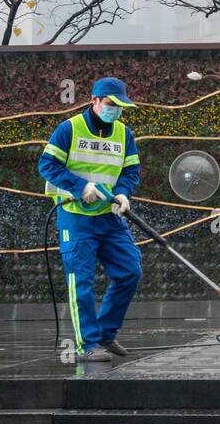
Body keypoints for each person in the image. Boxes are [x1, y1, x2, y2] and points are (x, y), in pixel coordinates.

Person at [37, 77, 143, 362]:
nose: (116, 111)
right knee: (81, 281)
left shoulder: (124, 134)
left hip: (109, 218)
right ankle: (88, 344)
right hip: (75, 218)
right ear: (94, 101)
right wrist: (80, 187)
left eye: (121, 107)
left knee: (130, 271)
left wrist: (122, 194)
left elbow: (130, 171)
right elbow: (46, 165)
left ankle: (106, 333)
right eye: (111, 105)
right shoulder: (69, 129)